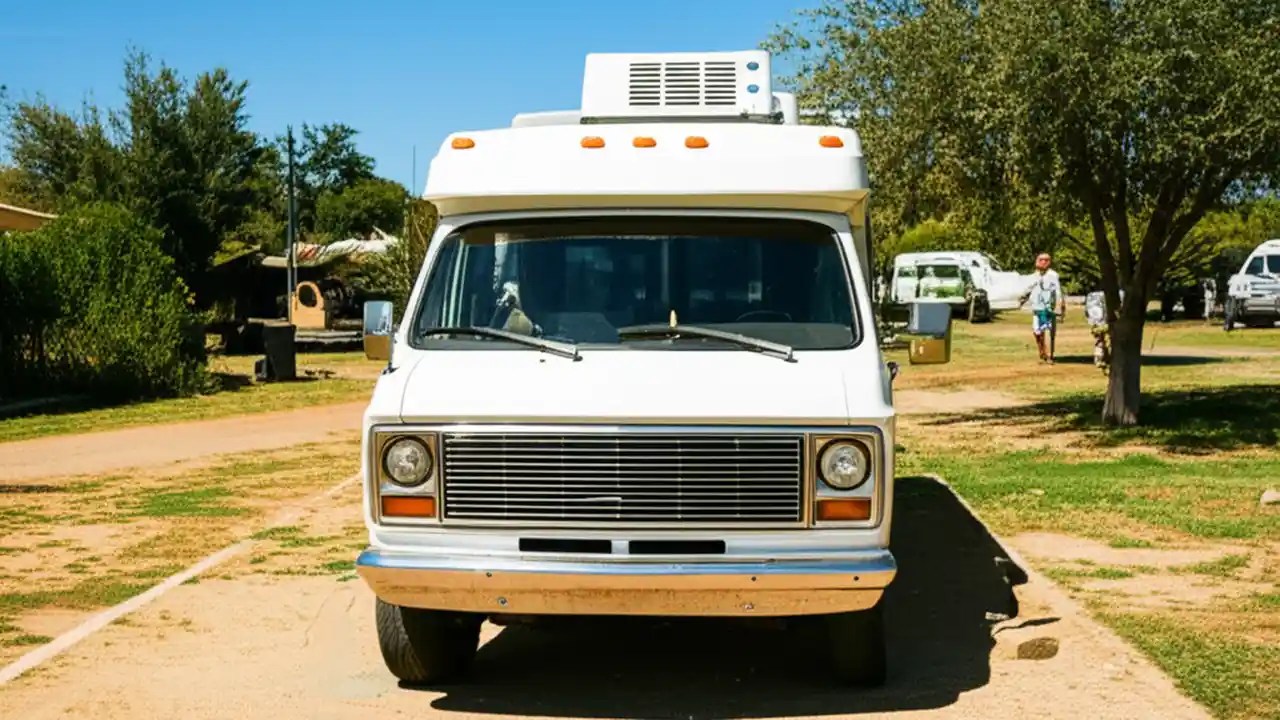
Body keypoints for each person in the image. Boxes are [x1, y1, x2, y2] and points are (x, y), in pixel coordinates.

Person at [1020, 252, 1066, 364]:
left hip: (1049, 307)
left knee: (1050, 331)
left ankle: (1050, 355)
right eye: (1040, 259)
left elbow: (1058, 291)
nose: (1042, 262)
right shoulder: (1034, 276)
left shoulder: (1053, 275)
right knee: (1037, 331)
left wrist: (1060, 306)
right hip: (1037, 307)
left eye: (1045, 260)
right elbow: (1028, 289)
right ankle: (1042, 350)